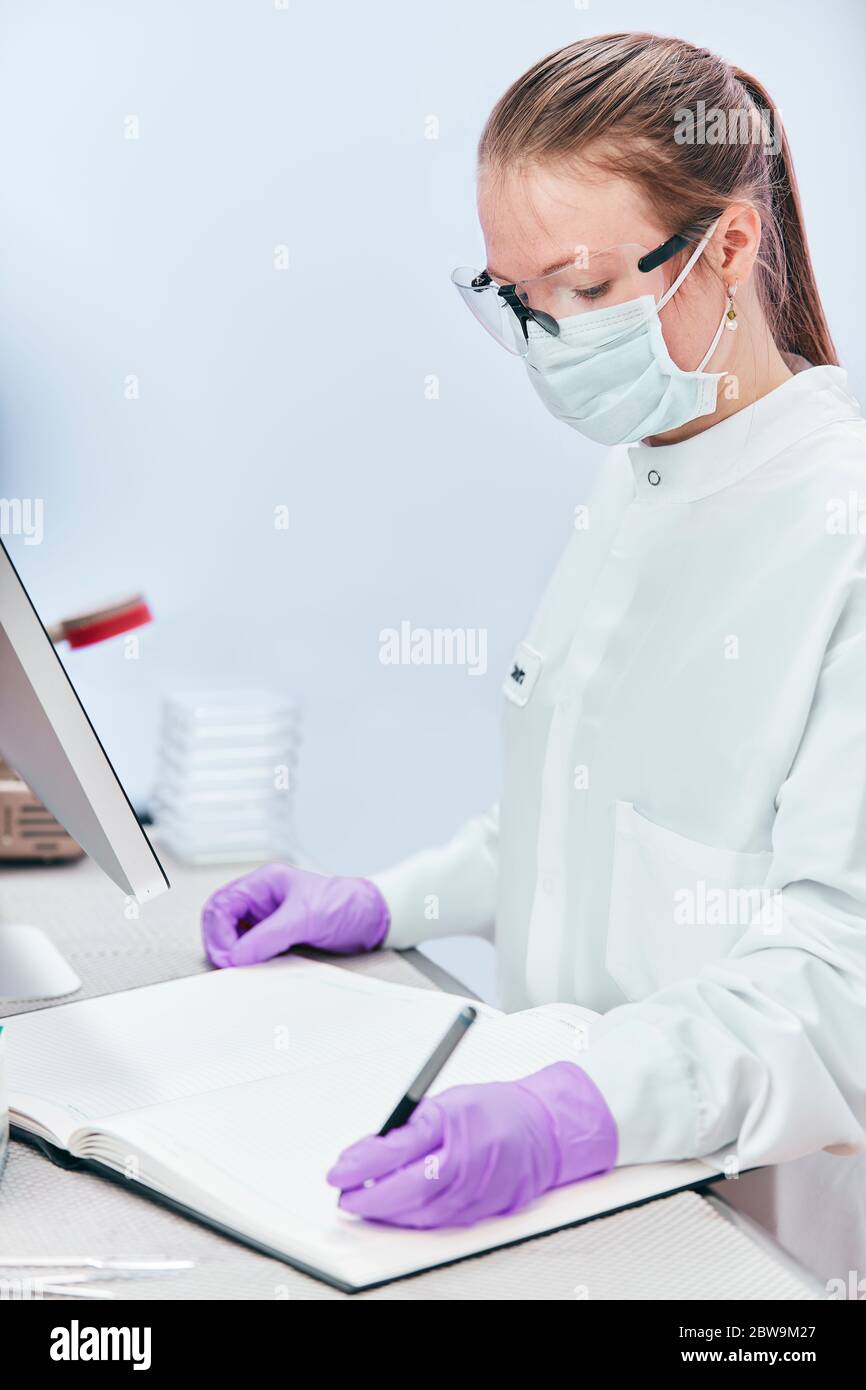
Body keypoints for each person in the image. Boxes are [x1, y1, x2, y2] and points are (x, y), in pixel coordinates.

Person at [201, 33, 866, 1272]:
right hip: (583, 1202)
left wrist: (575, 1108)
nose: (548, 338)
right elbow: (579, 832)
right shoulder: (646, 480)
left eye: (580, 288)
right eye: (515, 298)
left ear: (727, 245)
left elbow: (840, 991)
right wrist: (387, 900)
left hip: (752, 1239)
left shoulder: (842, 537)